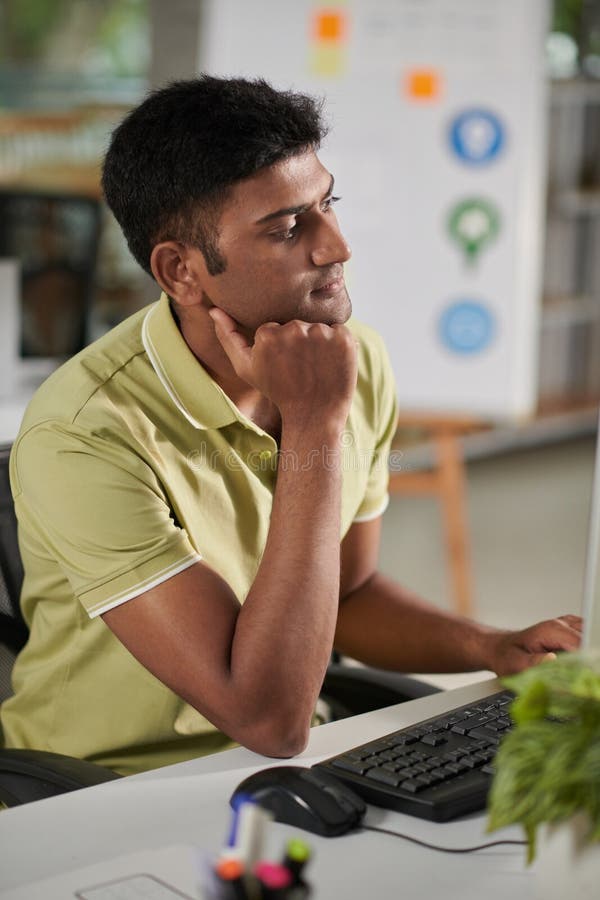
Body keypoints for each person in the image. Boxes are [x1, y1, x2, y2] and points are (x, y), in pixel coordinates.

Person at [0, 76, 582, 775]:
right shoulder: (83, 433)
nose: (335, 246)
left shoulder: (351, 357)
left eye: (327, 203)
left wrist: (490, 646)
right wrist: (314, 427)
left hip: (294, 766)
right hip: (106, 791)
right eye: (286, 228)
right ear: (181, 271)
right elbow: (266, 719)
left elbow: (350, 592)